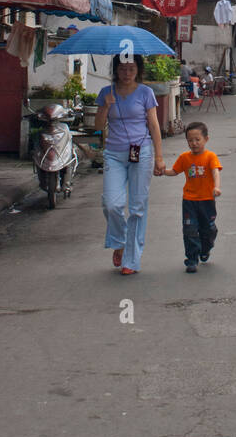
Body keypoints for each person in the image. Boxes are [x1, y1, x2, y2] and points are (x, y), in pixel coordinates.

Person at [94, 54, 165, 274]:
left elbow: (154, 126)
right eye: (123, 69)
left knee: (137, 207)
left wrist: (159, 157)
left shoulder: (146, 93)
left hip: (141, 152)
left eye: (131, 69)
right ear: (116, 70)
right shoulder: (106, 92)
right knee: (111, 204)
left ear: (138, 70)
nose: (127, 74)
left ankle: (131, 260)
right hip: (114, 154)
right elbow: (98, 126)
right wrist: (105, 107)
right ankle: (120, 242)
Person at [164, 120, 222, 273]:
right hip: (189, 200)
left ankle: (205, 248)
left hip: (207, 201)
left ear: (206, 139)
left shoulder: (210, 157)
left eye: (197, 139)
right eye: (190, 140)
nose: (194, 143)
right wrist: (162, 171)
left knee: (208, 229)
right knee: (189, 230)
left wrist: (216, 187)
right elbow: (174, 171)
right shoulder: (184, 158)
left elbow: (215, 172)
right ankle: (191, 259)